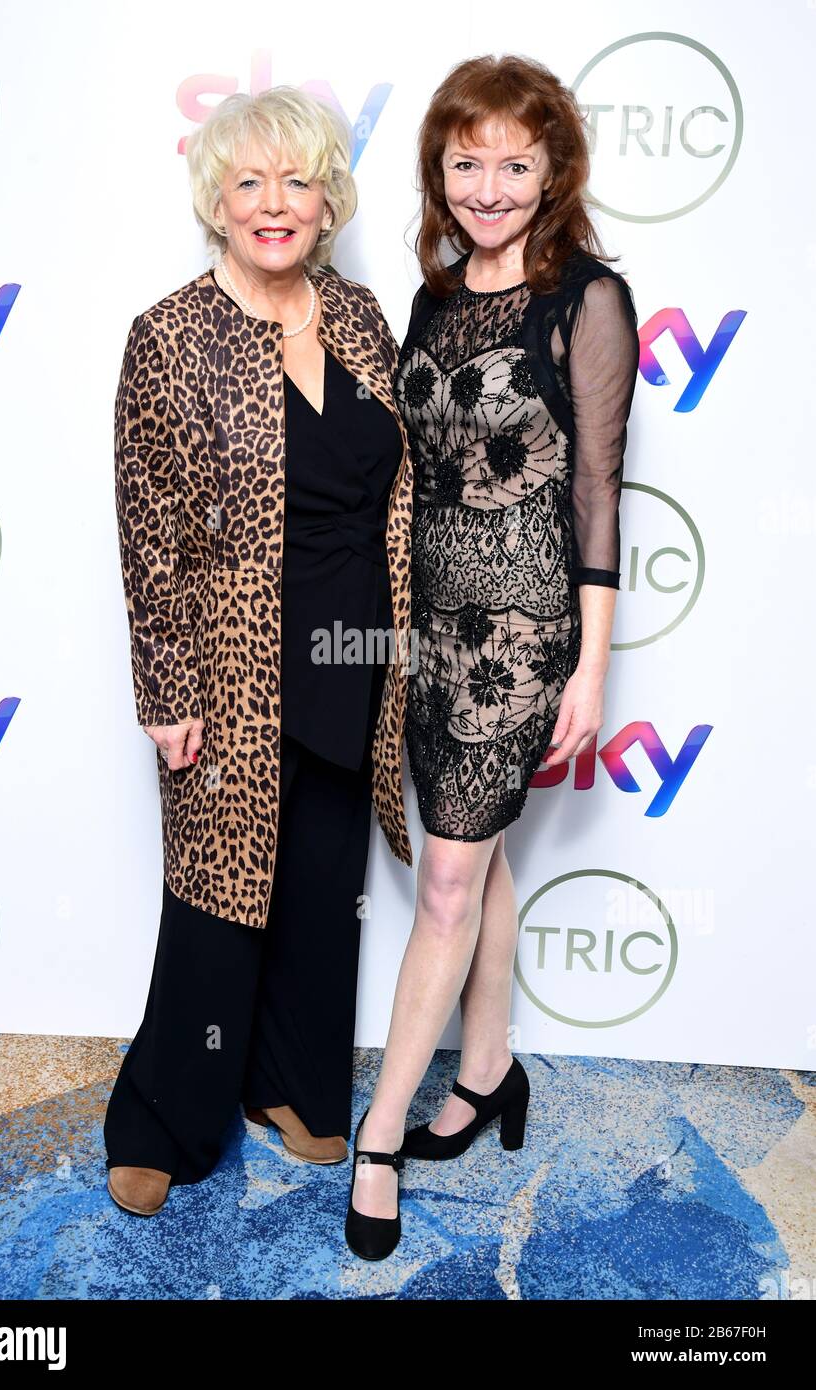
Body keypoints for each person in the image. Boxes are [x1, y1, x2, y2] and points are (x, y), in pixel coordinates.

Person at [343, 53, 641, 1260]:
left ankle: (376, 1140)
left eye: (515, 164)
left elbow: (597, 491)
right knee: (483, 855)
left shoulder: (589, 296)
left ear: (553, 170)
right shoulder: (430, 296)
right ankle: (486, 1070)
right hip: (425, 625)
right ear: (439, 171)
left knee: (449, 879)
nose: (489, 187)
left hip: (521, 634)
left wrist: (590, 667)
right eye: (467, 164)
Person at [104, 86, 413, 1216]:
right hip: (234, 664)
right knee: (219, 891)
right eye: (249, 182)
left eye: (298, 180)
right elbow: (146, 527)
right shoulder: (171, 334)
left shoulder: (364, 317)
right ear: (216, 200)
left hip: (357, 642)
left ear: (329, 197)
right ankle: (167, 1117)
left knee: (325, 880)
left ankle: (292, 1085)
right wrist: (167, 686)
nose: (275, 204)